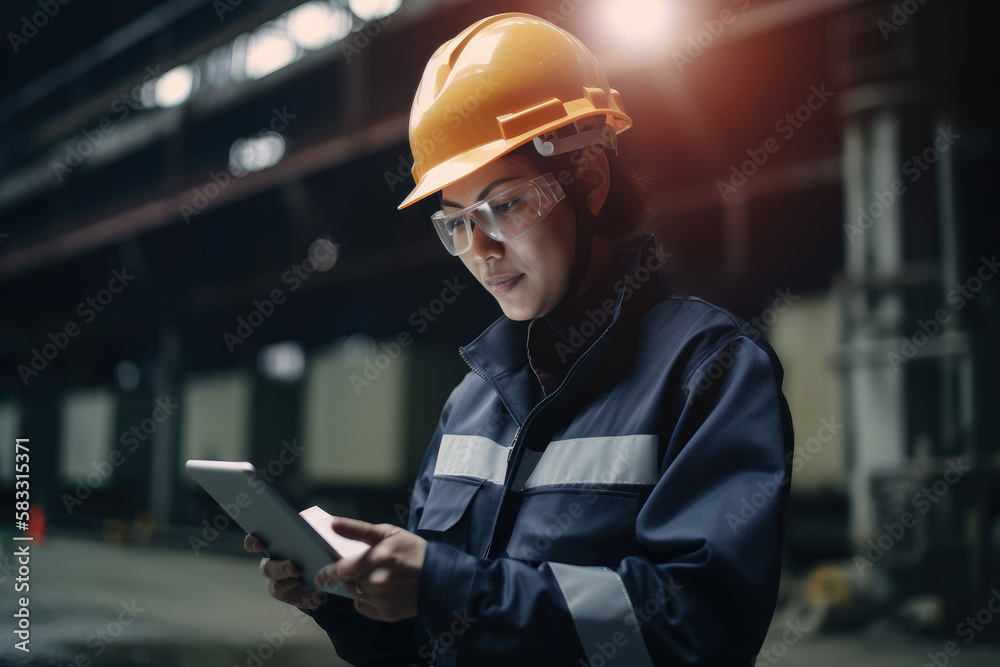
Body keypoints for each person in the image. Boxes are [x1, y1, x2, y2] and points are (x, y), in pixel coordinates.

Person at [246, 12, 793, 666]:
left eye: (506, 205)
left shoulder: (709, 369)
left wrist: (449, 586)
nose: (478, 249)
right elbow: (429, 643)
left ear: (588, 179)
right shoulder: (474, 398)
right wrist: (343, 595)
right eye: (455, 224)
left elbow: (697, 630)